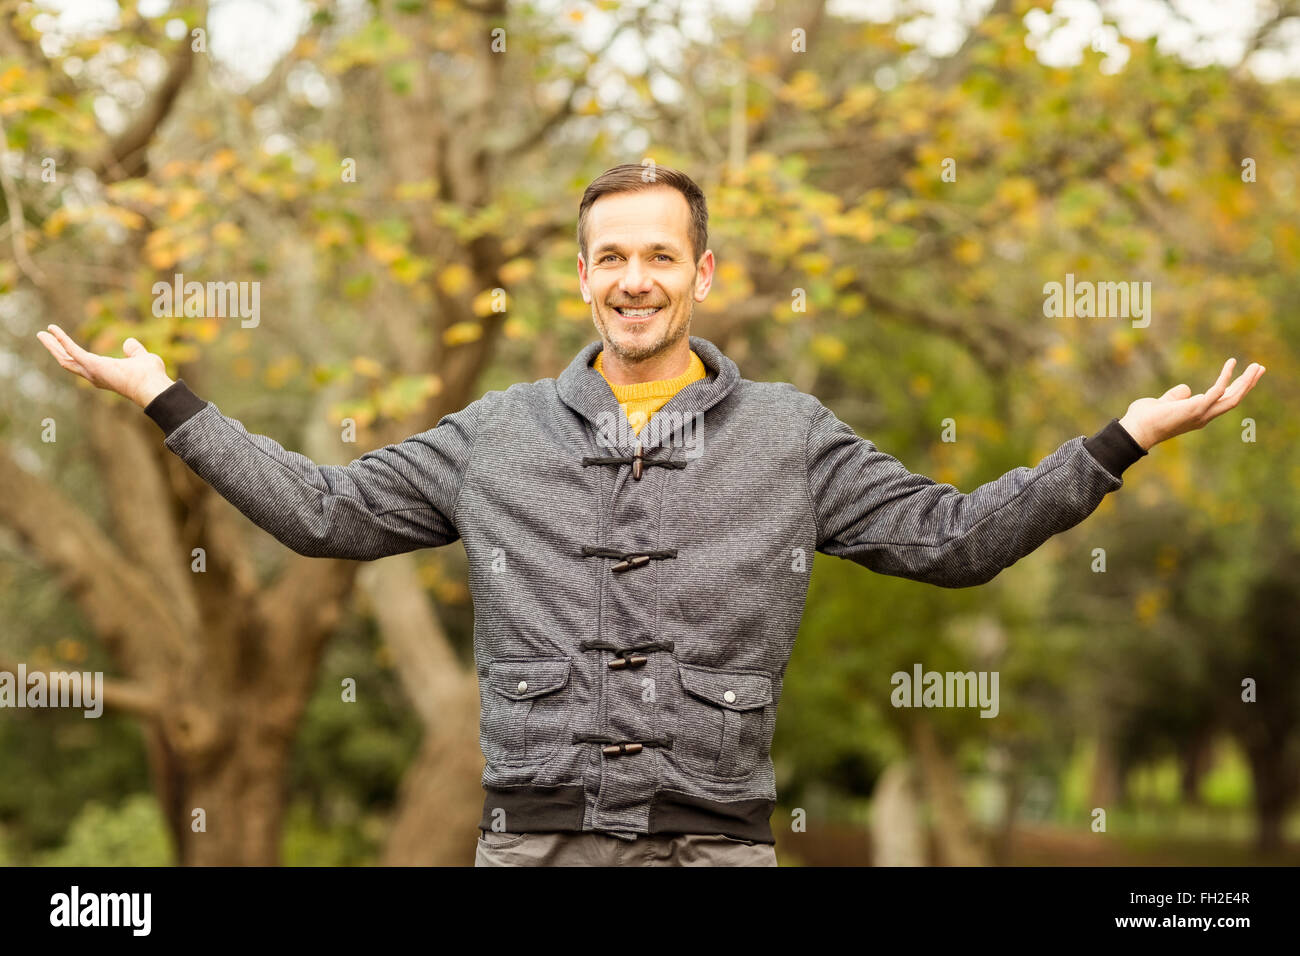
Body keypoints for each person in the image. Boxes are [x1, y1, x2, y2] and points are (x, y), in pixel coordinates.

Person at [37, 164, 1265, 867]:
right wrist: (168, 400)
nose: (634, 278)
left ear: (701, 273)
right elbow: (322, 513)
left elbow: (953, 542)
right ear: (582, 277)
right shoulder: (497, 433)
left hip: (714, 849)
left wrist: (1117, 442)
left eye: (660, 256)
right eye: (611, 256)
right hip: (533, 850)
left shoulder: (791, 436)